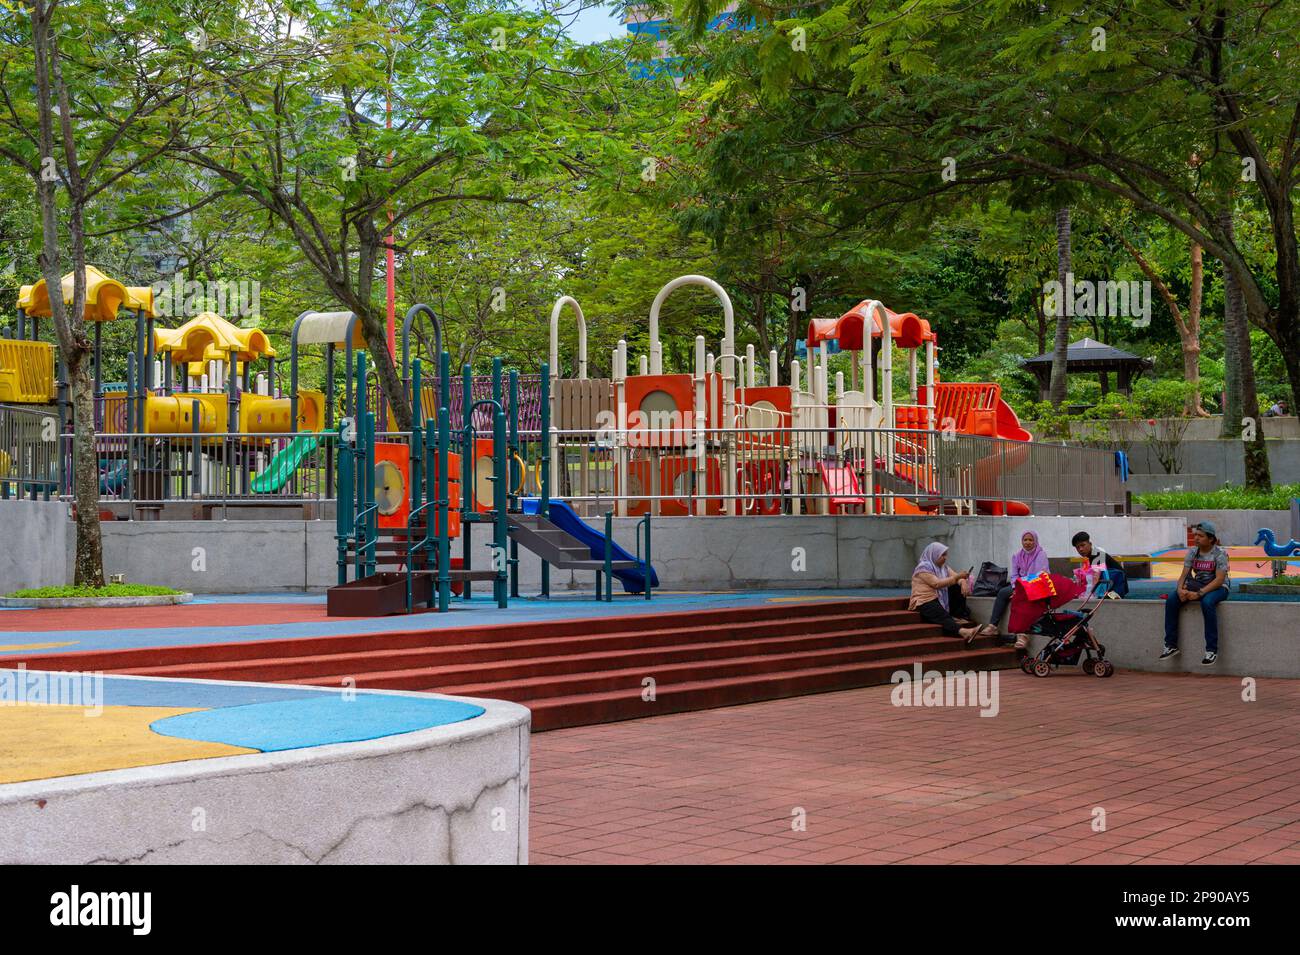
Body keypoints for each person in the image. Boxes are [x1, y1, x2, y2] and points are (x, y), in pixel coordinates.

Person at [1161, 521, 1229, 665]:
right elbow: (1184, 575)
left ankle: (1211, 650)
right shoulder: (1192, 552)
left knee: (1207, 602)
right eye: (1195, 535)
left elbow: (1219, 579)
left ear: (1211, 539)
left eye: (1200, 536)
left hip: (1219, 587)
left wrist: (1198, 594)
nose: (1196, 538)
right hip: (1197, 584)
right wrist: (1180, 590)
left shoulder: (1220, 553)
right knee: (1172, 600)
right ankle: (1170, 645)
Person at [910, 542, 998, 645]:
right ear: (934, 554)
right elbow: (937, 584)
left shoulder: (943, 568)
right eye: (942, 555)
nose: (945, 558)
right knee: (941, 615)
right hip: (924, 601)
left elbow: (956, 577)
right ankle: (964, 632)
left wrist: (963, 582)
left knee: (957, 586)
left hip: (937, 598)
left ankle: (958, 615)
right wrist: (957, 578)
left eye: (946, 554)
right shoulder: (923, 567)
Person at [989, 530, 1049, 633]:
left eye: (1030, 540)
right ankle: (993, 626)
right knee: (1003, 592)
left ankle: (1022, 634)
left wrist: (1021, 589)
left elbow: (1039, 575)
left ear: (1035, 541)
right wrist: (1016, 587)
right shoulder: (1017, 556)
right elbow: (1014, 575)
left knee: (1023, 598)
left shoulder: (1041, 554)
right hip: (1019, 585)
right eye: (1025, 540)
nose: (1027, 542)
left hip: (1037, 585)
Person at [1071, 531, 1129, 597]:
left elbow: (1096, 579)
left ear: (1090, 544)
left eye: (1083, 545)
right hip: (1111, 587)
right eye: (1077, 547)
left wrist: (1086, 595)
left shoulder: (1097, 555)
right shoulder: (1092, 556)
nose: (1080, 549)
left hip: (1115, 589)